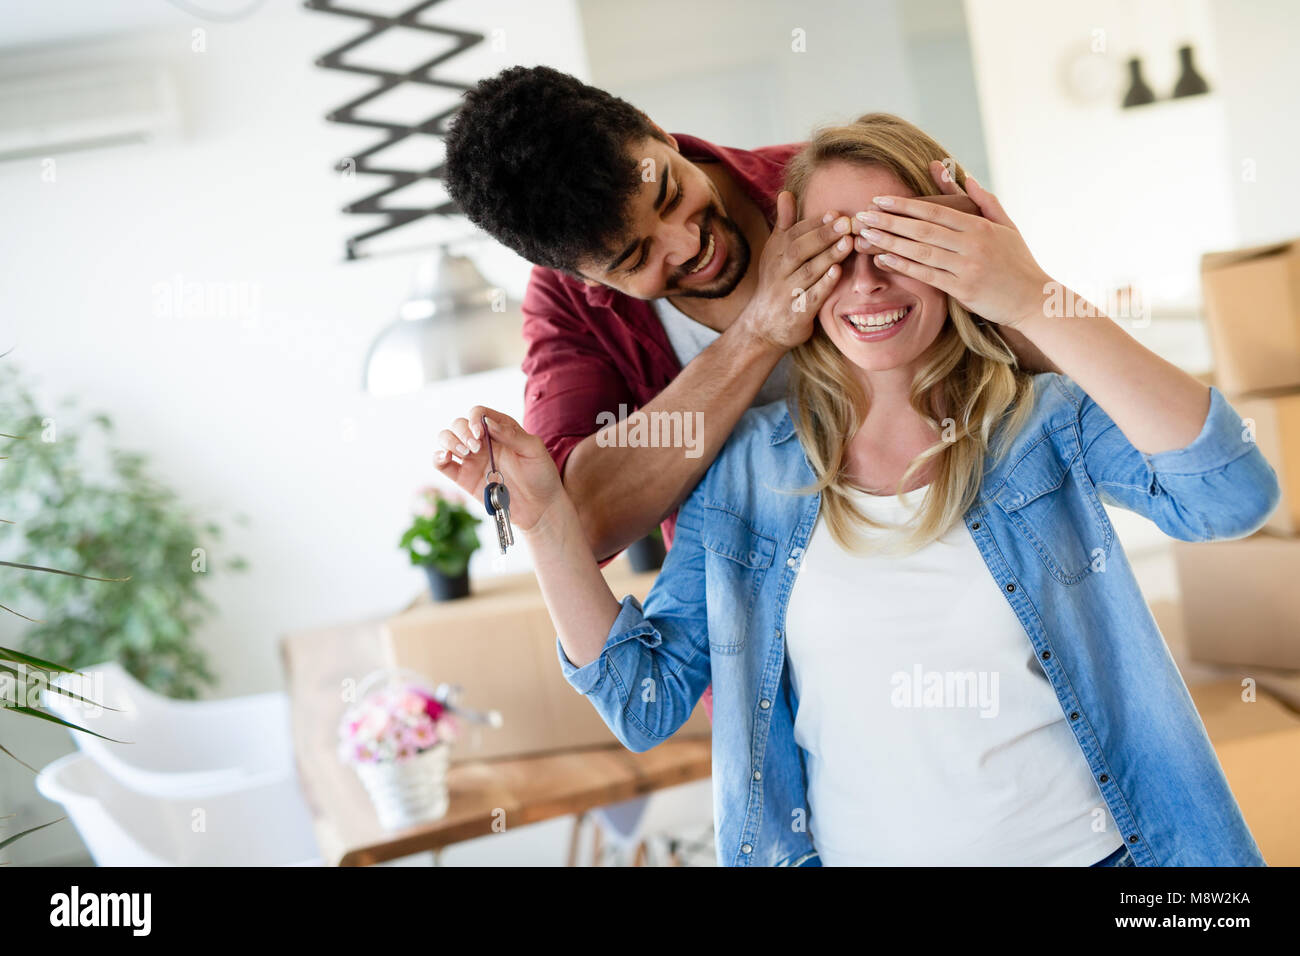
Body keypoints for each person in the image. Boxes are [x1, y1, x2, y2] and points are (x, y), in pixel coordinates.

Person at [433, 112, 1281, 867]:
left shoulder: (1038, 423)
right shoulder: (745, 472)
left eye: (900, 243)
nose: (868, 280)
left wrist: (1029, 292)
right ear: (795, 260)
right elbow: (643, 701)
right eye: (839, 253)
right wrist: (542, 520)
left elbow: (1231, 495)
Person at [442, 65, 1056, 722]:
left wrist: (1023, 288)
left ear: (656, 133)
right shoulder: (724, 473)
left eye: (670, 194)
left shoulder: (830, 184)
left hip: (992, 607)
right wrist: (761, 331)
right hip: (801, 687)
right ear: (581, 275)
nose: (688, 245)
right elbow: (580, 518)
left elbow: (1043, 365)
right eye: (634, 256)